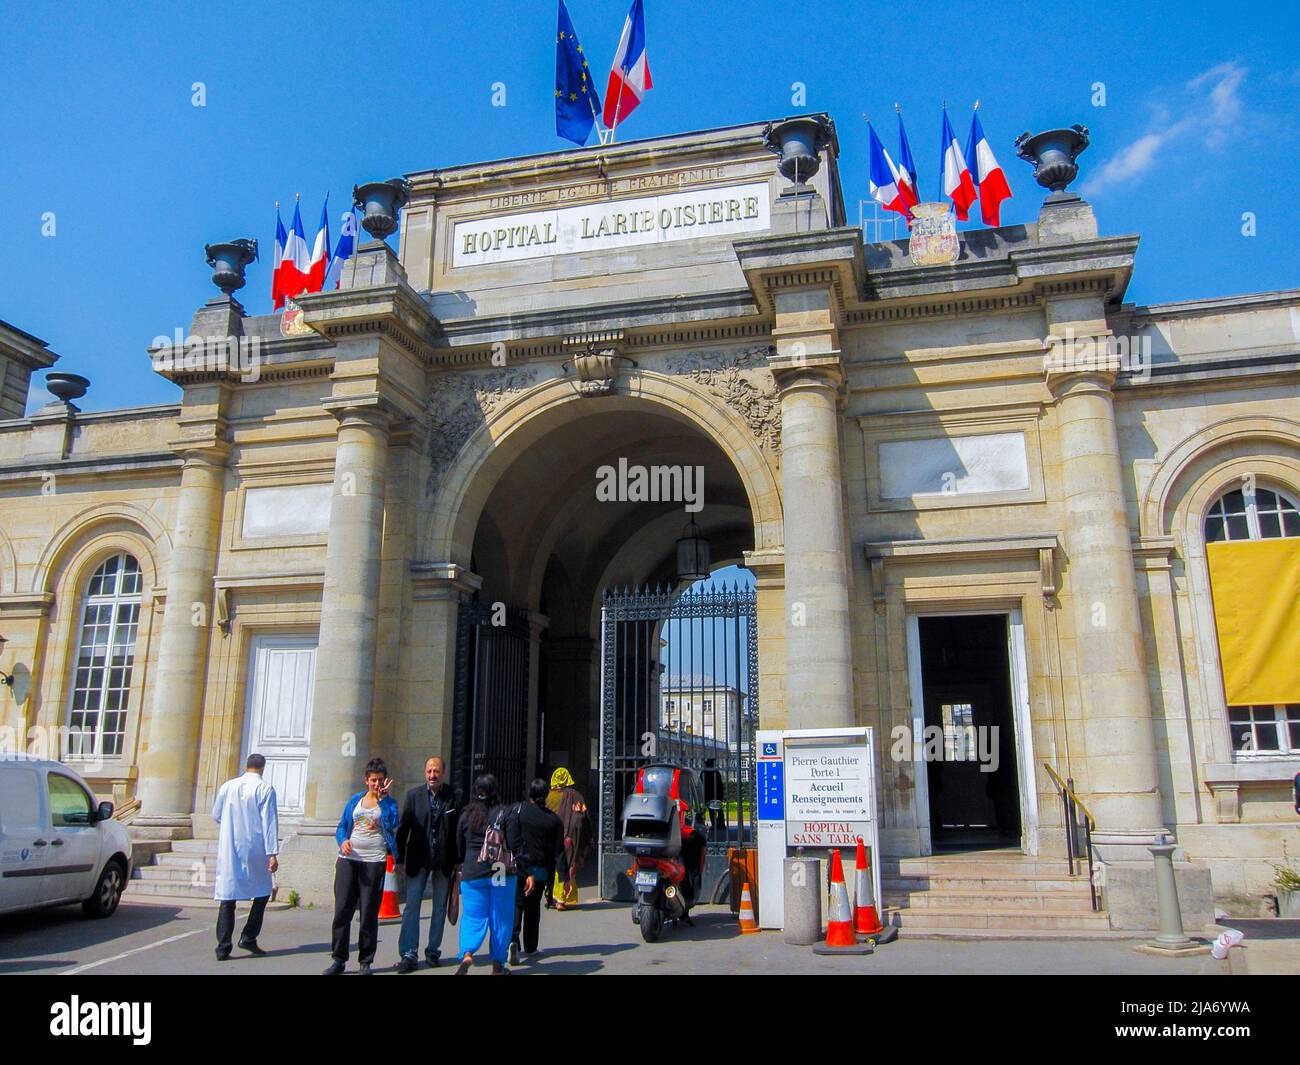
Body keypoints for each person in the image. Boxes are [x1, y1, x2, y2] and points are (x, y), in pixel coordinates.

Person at [323, 757, 399, 975]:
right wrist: (343, 841)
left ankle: (366, 960)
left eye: (381, 780)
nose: (377, 784)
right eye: (374, 780)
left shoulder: (388, 803)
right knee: (342, 911)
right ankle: (338, 959)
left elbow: (393, 823)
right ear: (366, 780)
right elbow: (341, 827)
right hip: (349, 860)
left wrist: (384, 801)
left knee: (368, 913)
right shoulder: (355, 801)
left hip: (373, 861)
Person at [211, 753, 279, 961]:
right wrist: (272, 853)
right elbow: (269, 823)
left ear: (246, 766)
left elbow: (216, 815)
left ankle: (223, 946)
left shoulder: (227, 786)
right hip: (255, 847)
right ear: (262, 768)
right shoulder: (265, 788)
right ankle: (248, 935)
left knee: (227, 896)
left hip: (230, 846)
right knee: (263, 891)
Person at [454, 773, 524, 975]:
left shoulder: (466, 814)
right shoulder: (504, 813)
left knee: (472, 916)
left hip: (472, 870)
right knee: (500, 918)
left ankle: (467, 953)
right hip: (498, 870)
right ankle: (497, 966)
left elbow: (459, 845)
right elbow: (513, 843)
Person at [394, 755, 459, 972]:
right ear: (425, 773)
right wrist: (399, 859)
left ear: (443, 773)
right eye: (429, 771)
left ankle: (433, 950)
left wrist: (458, 862)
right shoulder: (413, 796)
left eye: (436, 771)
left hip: (442, 860)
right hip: (417, 859)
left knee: (439, 906)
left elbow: (458, 831)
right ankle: (409, 953)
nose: (433, 775)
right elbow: (403, 829)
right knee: (412, 905)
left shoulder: (453, 797)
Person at [510, 777, 565, 966]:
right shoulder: (553, 820)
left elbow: (512, 839)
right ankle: (531, 946)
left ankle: (513, 940)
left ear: (530, 794)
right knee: (533, 907)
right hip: (540, 869)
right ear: (546, 795)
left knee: (517, 903)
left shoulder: (518, 812)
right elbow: (558, 851)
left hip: (519, 867)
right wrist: (563, 878)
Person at [546, 767, 591, 910]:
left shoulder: (549, 796)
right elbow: (583, 817)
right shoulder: (575, 795)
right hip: (569, 838)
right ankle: (562, 899)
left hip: (551, 837)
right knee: (567, 865)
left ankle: (552, 897)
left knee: (553, 867)